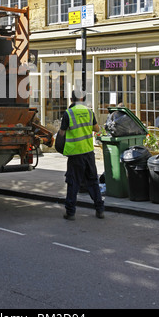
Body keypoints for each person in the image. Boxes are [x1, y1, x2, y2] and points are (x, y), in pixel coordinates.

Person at [57, 89, 105, 220]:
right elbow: (96, 129)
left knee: (73, 183)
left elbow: (61, 133)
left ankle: (70, 212)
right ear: (83, 100)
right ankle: (99, 209)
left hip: (75, 154)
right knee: (93, 181)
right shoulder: (90, 112)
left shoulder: (69, 113)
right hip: (88, 153)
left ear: (72, 100)